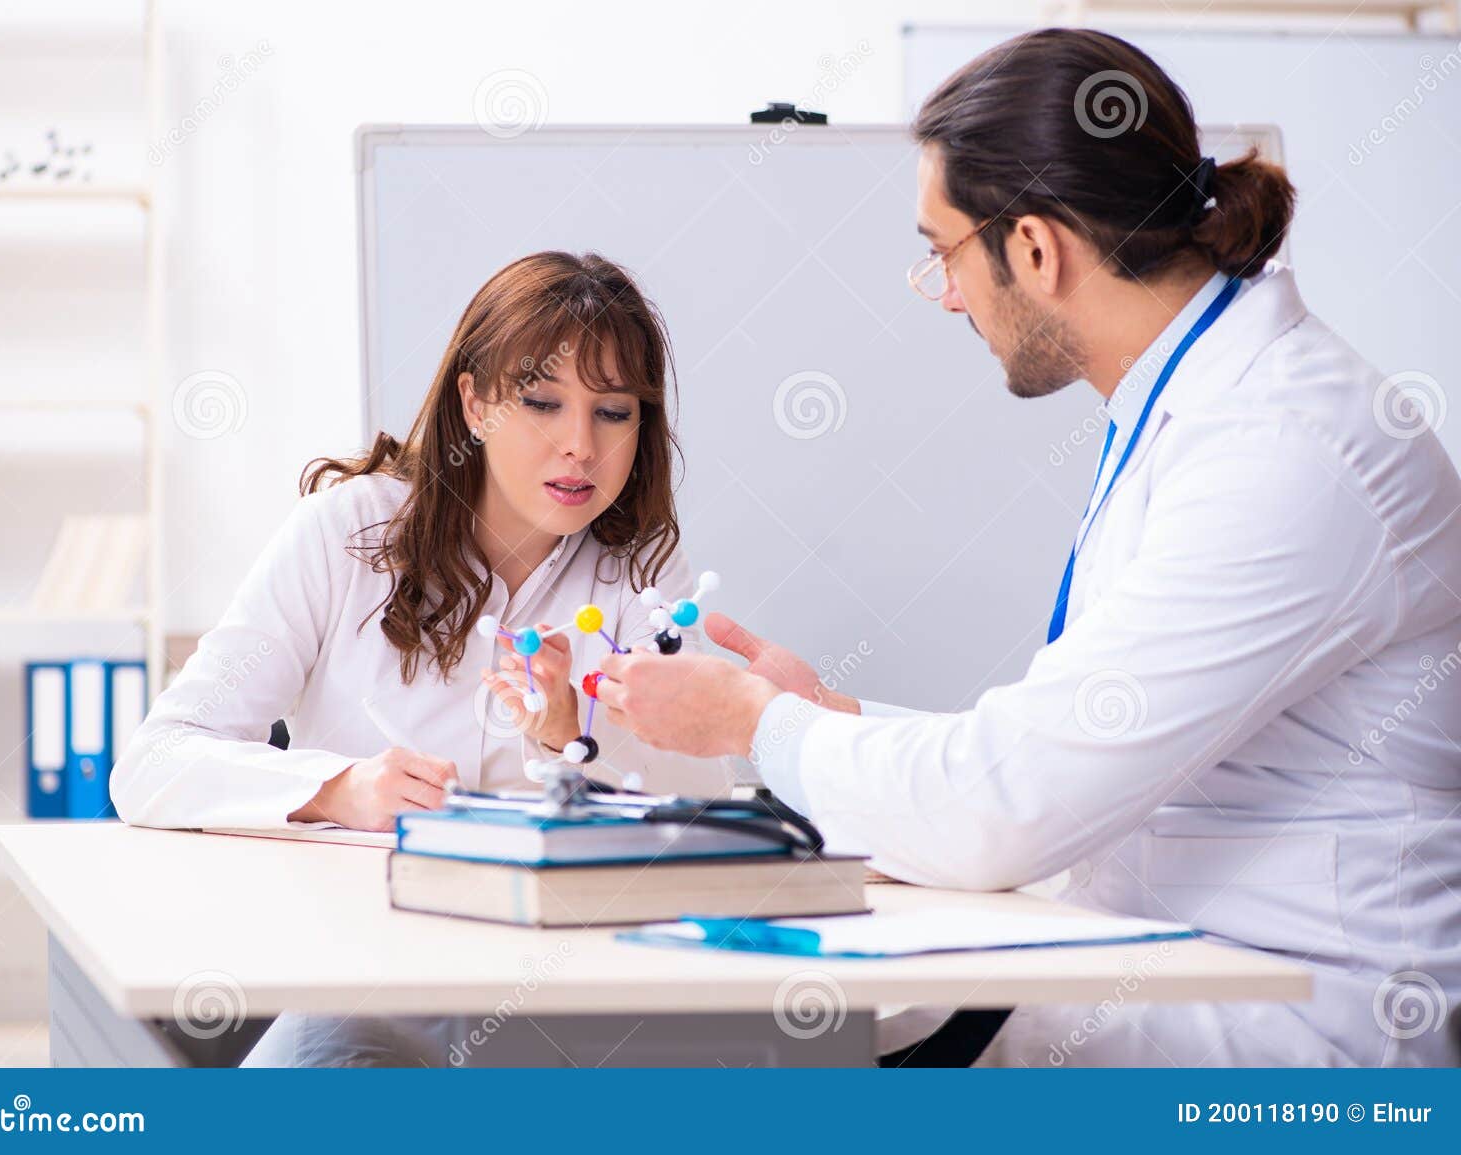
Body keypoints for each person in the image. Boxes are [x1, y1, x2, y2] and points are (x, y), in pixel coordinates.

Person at [595, 28, 1461, 1066]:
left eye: (944, 253)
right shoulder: (1201, 407)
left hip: (1307, 1054)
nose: (948, 294)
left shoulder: (1283, 452)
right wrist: (835, 722)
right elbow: (1063, 748)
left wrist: (762, 726)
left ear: (1036, 250)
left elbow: (1006, 806)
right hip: (1183, 975)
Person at [111, 250, 728, 1065]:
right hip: (370, 994)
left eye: (613, 412)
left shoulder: (643, 574)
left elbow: (700, 815)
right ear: (474, 403)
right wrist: (336, 789)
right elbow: (153, 764)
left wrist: (568, 744)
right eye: (542, 403)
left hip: (580, 1003)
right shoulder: (346, 536)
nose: (580, 445)